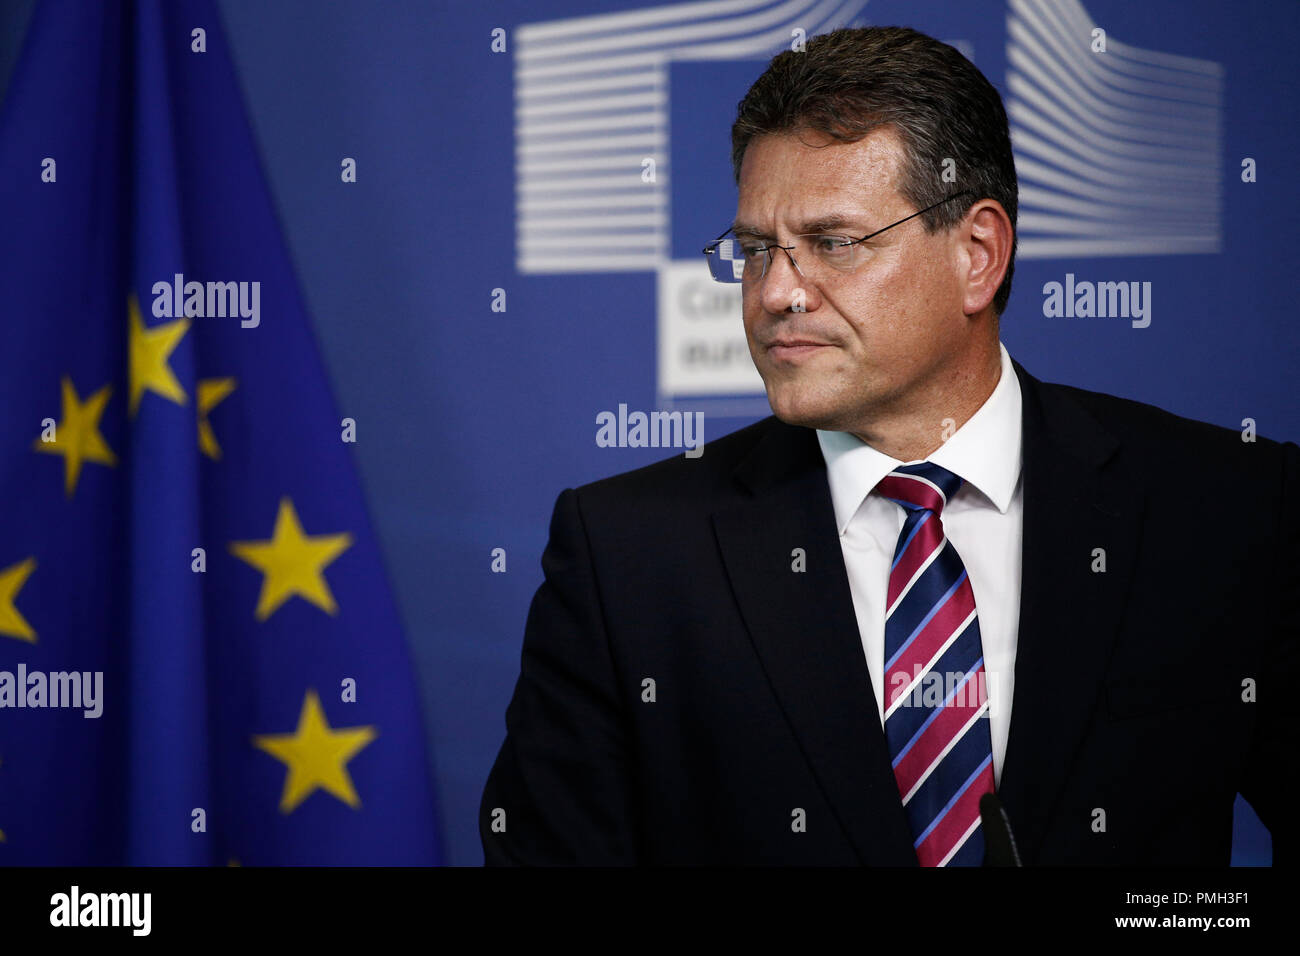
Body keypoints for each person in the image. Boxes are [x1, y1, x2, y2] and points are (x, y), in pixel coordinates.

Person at [480, 25, 1296, 865]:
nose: (778, 293)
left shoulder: (1229, 510)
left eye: (833, 243)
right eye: (757, 250)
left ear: (978, 254)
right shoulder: (628, 555)